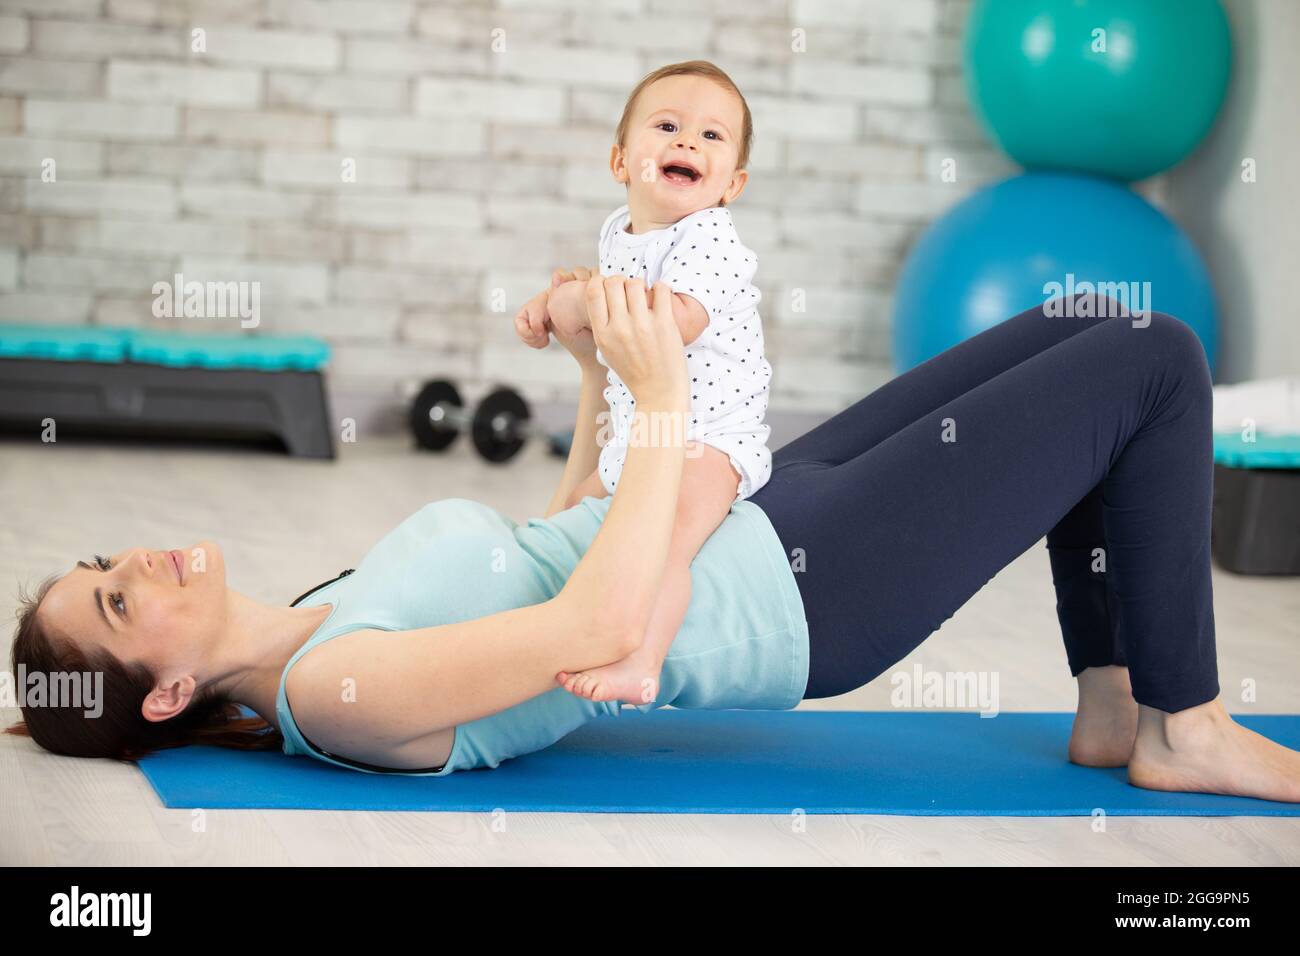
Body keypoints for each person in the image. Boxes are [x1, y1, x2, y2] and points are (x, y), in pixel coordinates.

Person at [9, 276, 1300, 803]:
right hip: (805, 597)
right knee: (1153, 357)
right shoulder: (339, 692)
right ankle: (1182, 724)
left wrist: (595, 374)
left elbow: (562, 541)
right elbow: (599, 627)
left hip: (755, 514)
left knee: (1086, 323)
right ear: (168, 693)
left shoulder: (323, 608)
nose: (131, 567)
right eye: (116, 605)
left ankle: (1112, 705)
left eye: (102, 564)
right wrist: (666, 399)